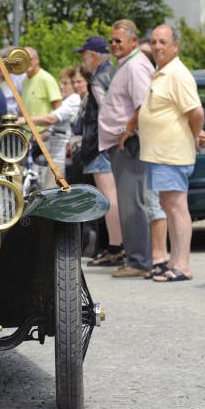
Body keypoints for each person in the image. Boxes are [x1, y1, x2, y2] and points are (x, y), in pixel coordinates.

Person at [133, 25, 205, 282]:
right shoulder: (161, 71)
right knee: (167, 205)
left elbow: (196, 112)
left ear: (175, 46)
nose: (157, 47)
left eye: (163, 42)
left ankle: (182, 265)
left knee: (176, 207)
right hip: (160, 154)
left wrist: (194, 135)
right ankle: (173, 262)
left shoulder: (177, 73)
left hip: (172, 153)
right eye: (154, 42)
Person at [98, 19, 155, 278]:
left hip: (129, 145)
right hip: (120, 144)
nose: (113, 44)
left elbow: (144, 105)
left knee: (131, 203)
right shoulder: (127, 64)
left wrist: (128, 129)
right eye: (111, 40)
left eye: (118, 40)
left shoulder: (135, 66)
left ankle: (139, 261)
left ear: (133, 40)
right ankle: (137, 258)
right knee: (127, 201)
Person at [74, 36, 124, 267]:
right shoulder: (114, 72)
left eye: (84, 55)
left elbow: (106, 111)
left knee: (108, 196)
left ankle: (115, 247)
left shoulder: (97, 78)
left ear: (93, 56)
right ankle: (117, 245)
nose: (83, 60)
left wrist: (101, 140)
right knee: (115, 195)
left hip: (100, 144)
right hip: (112, 143)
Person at [18, 66, 81, 188]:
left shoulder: (74, 100)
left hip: (62, 159)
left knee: (50, 193)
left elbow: (51, 119)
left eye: (65, 83)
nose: (61, 86)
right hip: (55, 157)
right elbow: (53, 128)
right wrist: (39, 136)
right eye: (61, 83)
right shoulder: (65, 102)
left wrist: (24, 120)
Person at [21, 46, 62, 120]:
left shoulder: (46, 79)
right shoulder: (24, 81)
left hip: (43, 127)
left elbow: (58, 108)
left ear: (37, 60)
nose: (27, 62)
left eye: (30, 59)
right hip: (26, 127)